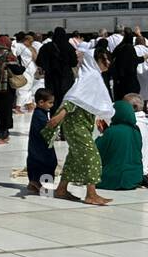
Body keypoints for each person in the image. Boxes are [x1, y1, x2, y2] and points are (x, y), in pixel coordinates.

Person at [42, 45, 113, 206]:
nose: (107, 63)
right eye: (104, 60)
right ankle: (91, 194)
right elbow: (74, 98)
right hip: (76, 125)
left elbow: (89, 101)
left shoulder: (91, 75)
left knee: (74, 157)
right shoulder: (91, 76)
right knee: (92, 157)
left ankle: (61, 189)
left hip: (82, 123)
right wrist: (60, 114)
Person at [96, 99, 145, 192]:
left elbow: (97, 151)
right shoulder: (136, 131)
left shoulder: (111, 131)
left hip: (114, 179)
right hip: (134, 178)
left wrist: (102, 134)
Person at [123, 93, 148, 190]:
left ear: (134, 107)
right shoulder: (146, 121)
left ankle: (142, 175)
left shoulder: (135, 123)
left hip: (138, 164)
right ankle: (146, 172)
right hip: (146, 162)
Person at [25, 89, 59, 195]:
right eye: (50, 102)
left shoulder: (41, 112)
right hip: (41, 146)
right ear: (41, 102)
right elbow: (47, 126)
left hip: (37, 145)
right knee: (48, 163)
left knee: (36, 162)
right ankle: (43, 184)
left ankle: (33, 182)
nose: (52, 105)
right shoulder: (39, 114)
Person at [36, 27, 78, 110]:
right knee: (65, 98)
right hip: (66, 78)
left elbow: (39, 61)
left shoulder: (46, 47)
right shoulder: (69, 47)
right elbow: (74, 63)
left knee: (52, 99)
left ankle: (54, 118)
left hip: (51, 78)